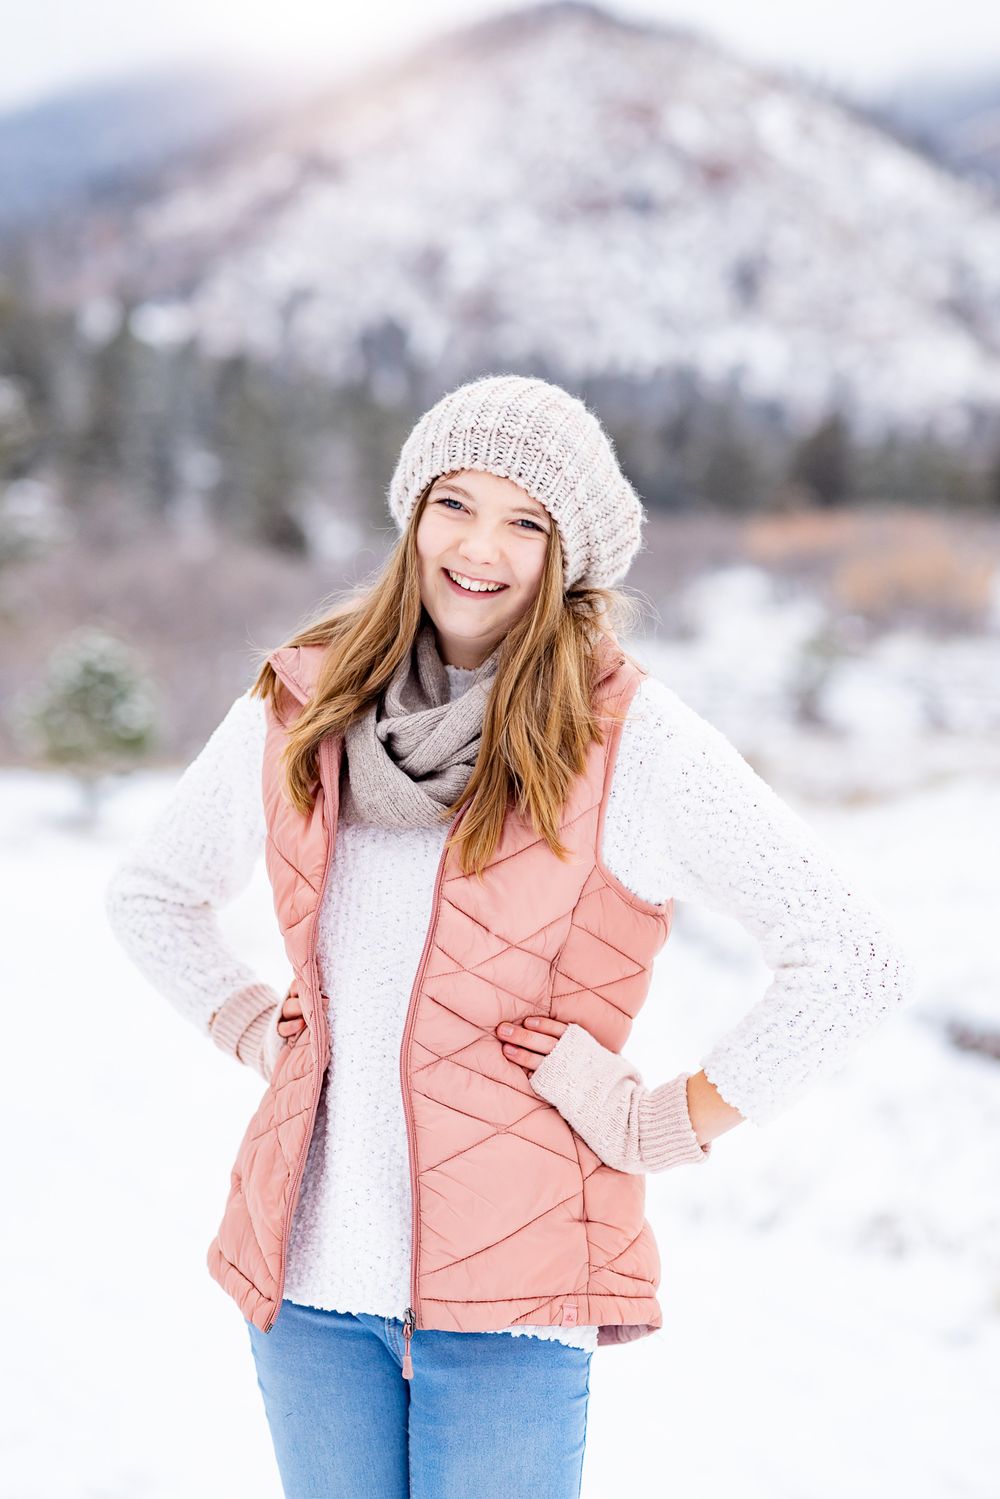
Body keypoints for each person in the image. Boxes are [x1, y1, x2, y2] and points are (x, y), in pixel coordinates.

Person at [105, 373, 914, 1499]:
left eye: (525, 519)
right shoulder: (305, 701)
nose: (479, 545)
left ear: (566, 552)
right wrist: (255, 1029)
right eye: (455, 501)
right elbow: (151, 893)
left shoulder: (626, 734)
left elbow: (852, 955)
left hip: (516, 1299)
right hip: (306, 1284)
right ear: (412, 511)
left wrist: (660, 1121)